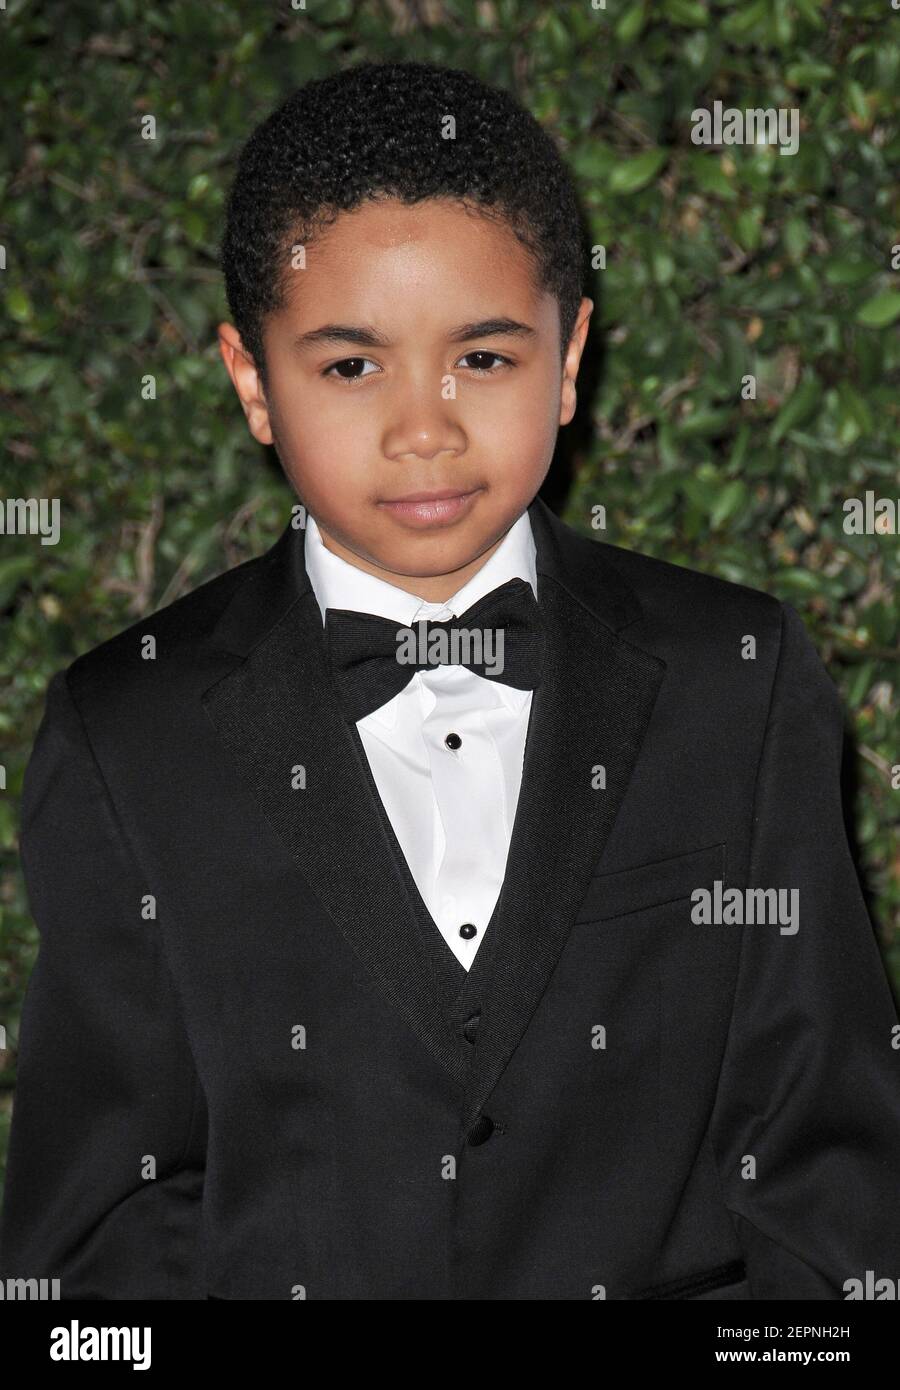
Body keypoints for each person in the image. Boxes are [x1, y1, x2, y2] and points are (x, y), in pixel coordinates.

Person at [2, 60, 898, 1301]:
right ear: (253, 382)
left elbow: (830, 1179)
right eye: (351, 367)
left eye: (481, 357)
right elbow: (98, 1227)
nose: (424, 429)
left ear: (569, 356)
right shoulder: (128, 731)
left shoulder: (733, 682)